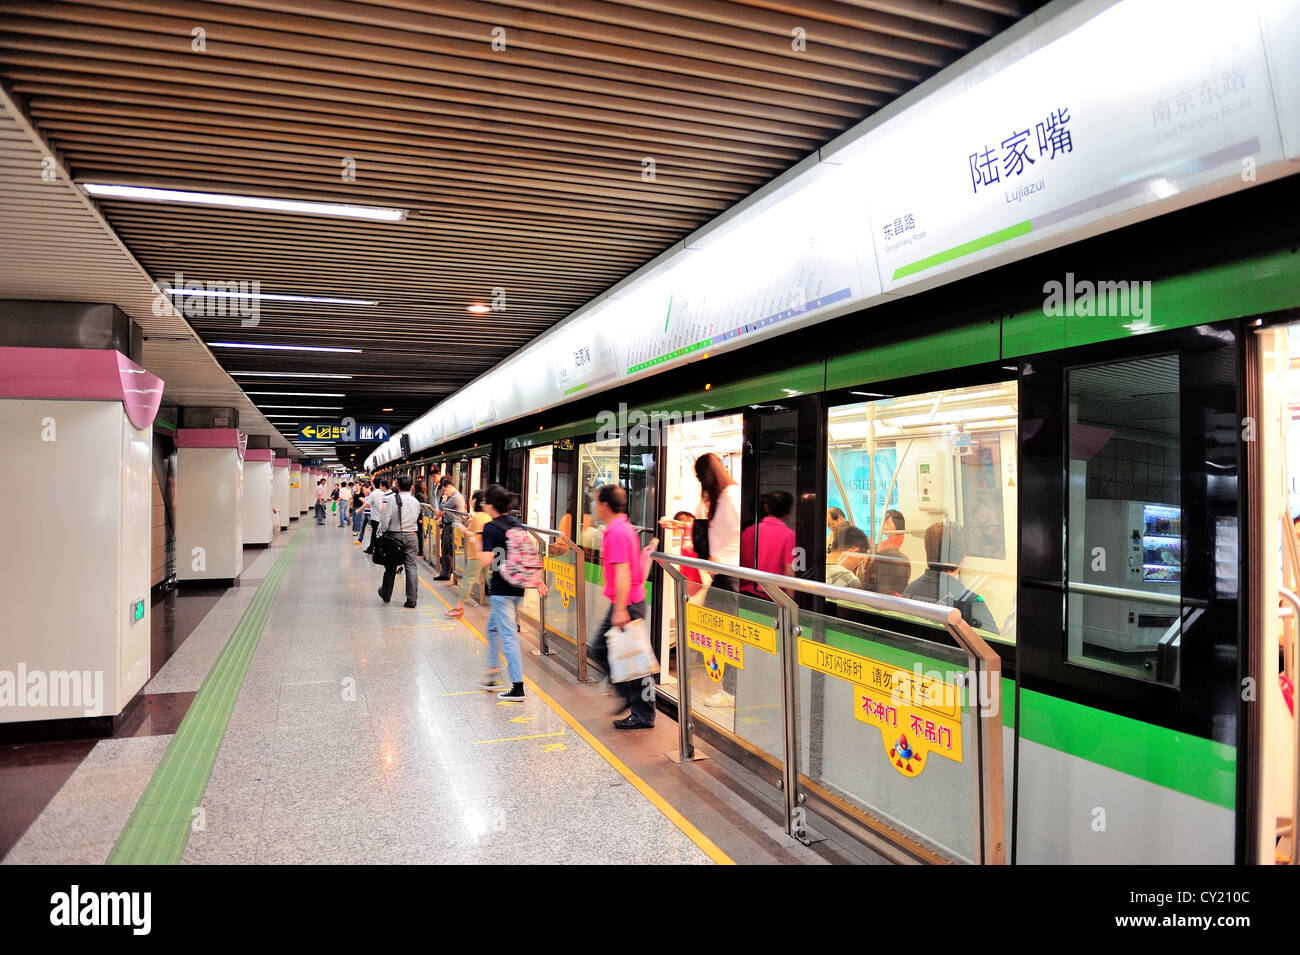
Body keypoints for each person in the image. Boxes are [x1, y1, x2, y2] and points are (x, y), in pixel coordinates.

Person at [585, 484, 655, 729]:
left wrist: (620, 608)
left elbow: (623, 571)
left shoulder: (616, 532)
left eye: (595, 501)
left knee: (610, 652)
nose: (593, 506)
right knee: (632, 658)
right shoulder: (624, 528)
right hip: (630, 600)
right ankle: (635, 705)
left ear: (604, 505)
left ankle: (636, 707)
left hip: (627, 602)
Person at [478, 484, 546, 702]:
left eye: (485, 501)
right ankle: (492, 672)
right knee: (493, 627)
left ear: (491, 504)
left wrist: (474, 541)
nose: (482, 504)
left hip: (501, 589)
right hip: (517, 587)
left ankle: (517, 686)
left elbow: (489, 561)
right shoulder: (517, 525)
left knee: (508, 635)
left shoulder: (490, 528)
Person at [904, 521, 999, 634]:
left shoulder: (909, 591)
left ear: (927, 552)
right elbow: (995, 644)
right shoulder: (972, 602)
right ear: (963, 558)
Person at [694, 453, 742, 591]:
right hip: (722, 570)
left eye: (699, 477)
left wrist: (718, 558)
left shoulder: (730, 495)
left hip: (728, 570)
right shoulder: (724, 496)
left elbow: (740, 533)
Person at [739, 491, 797, 597]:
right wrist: (790, 604)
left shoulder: (749, 531)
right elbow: (789, 573)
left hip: (745, 595)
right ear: (789, 510)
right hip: (773, 598)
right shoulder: (789, 535)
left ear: (766, 508)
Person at [376, 475, 420, 608]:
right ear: (411, 487)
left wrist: (382, 532)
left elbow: (385, 520)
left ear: (397, 486)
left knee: (390, 566)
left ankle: (386, 594)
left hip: (394, 537)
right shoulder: (416, 502)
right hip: (412, 536)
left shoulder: (392, 500)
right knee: (411, 567)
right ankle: (411, 599)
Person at [447, 490, 489, 618]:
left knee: (467, 580)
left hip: (477, 554)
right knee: (492, 581)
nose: (470, 501)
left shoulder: (478, 517)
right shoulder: (486, 516)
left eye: (472, 499)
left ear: (476, 501)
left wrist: (462, 528)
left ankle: (459, 608)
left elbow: (475, 536)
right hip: (486, 553)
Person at [433, 476, 466, 581]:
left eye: (444, 490)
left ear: (447, 487)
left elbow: (443, 508)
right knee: (447, 549)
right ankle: (447, 571)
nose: (444, 492)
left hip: (452, 526)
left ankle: (445, 574)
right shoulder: (455, 496)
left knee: (447, 550)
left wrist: (443, 498)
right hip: (451, 525)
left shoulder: (455, 497)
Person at [361, 478, 388, 553]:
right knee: (380, 533)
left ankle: (373, 549)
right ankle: (376, 548)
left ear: (373, 484)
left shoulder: (373, 493)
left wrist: (358, 510)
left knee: (374, 533)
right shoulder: (384, 493)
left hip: (375, 516)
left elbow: (367, 504)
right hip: (383, 517)